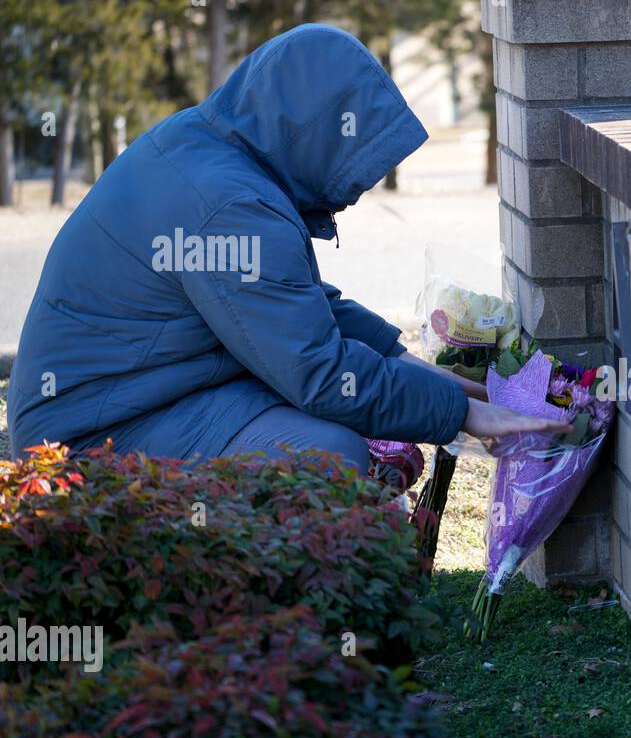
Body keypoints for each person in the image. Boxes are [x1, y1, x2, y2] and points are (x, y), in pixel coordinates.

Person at [6, 24, 567, 472]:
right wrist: (466, 414)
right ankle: (268, 608)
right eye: (359, 160)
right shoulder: (231, 208)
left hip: (133, 398)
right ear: (318, 130)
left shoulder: (207, 147)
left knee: (346, 429)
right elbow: (319, 373)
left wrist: (417, 368)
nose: (359, 186)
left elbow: (292, 307)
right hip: (85, 442)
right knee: (326, 457)